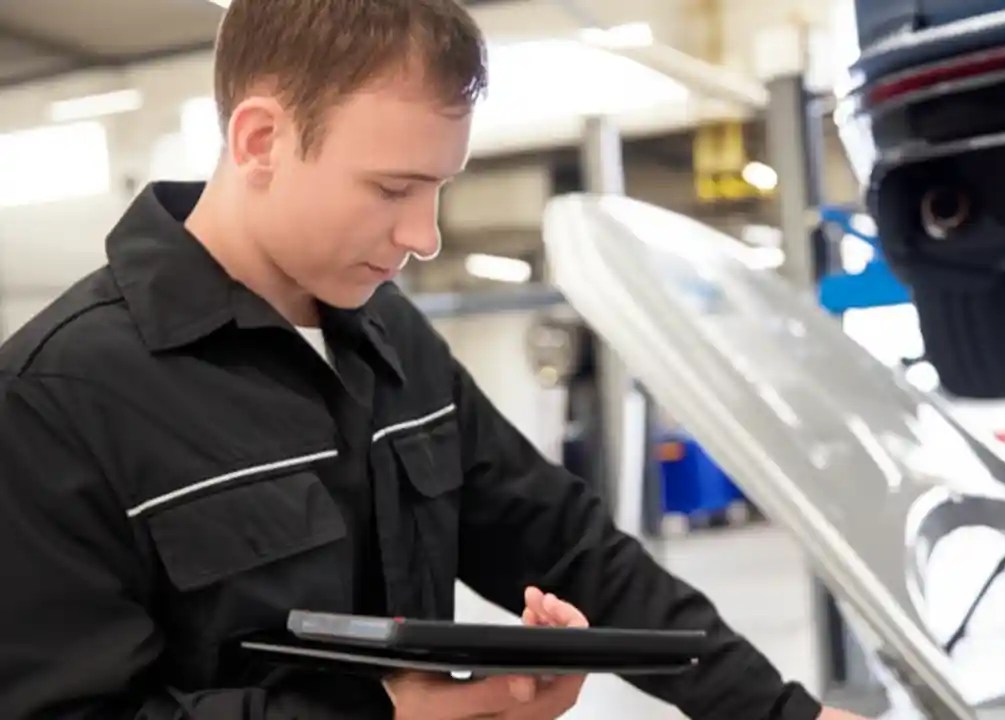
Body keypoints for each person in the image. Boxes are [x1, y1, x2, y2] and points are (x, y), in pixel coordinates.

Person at [0, 1, 866, 719]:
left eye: (439, 188)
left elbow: (567, 545)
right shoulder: (54, 400)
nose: (425, 236)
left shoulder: (390, 337)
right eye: (393, 189)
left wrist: (780, 712)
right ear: (261, 140)